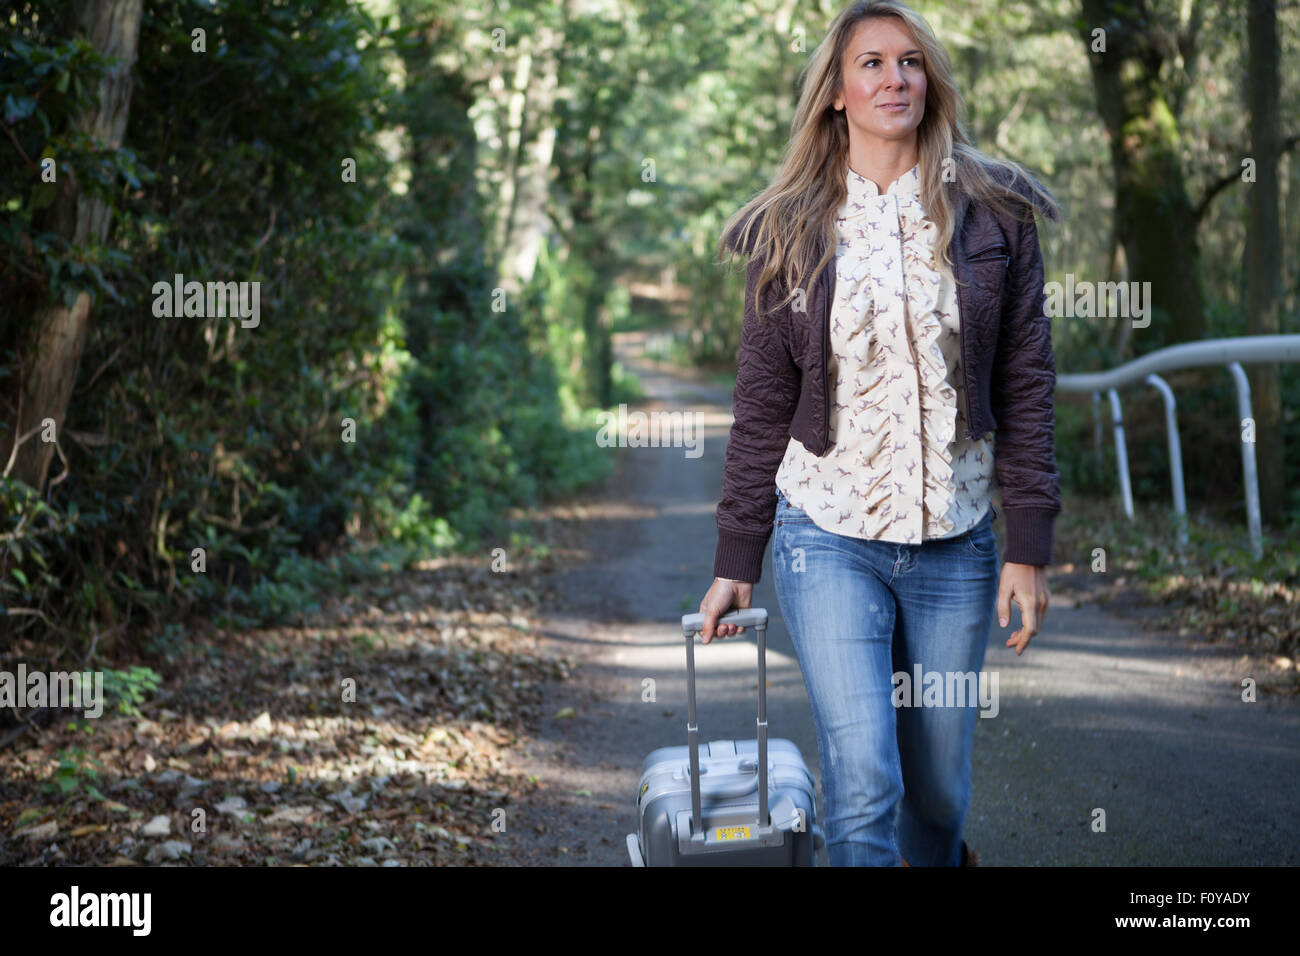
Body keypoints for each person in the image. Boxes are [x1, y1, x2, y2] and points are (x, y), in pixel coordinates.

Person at [698, 0, 1063, 867]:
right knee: (864, 782)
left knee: (936, 794)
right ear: (834, 91)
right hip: (826, 536)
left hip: (958, 542)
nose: (893, 78)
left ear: (929, 77)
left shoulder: (995, 212)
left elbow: (1026, 381)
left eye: (909, 61)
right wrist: (733, 559)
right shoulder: (786, 229)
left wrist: (1029, 545)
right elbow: (760, 406)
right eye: (870, 63)